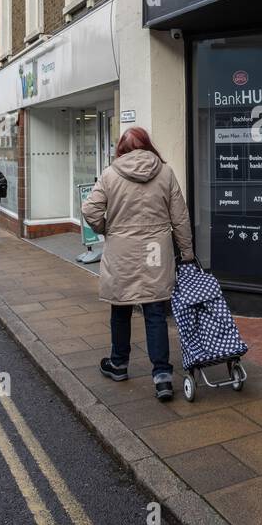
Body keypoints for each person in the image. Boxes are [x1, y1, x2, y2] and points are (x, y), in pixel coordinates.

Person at [82, 127, 194, 402]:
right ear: (148, 146)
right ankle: (162, 377)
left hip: (122, 252)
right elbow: (180, 217)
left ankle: (118, 364)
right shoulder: (165, 172)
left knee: (120, 308)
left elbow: (90, 210)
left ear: (121, 149)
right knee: (155, 310)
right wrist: (187, 253)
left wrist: (108, 228)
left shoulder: (110, 174)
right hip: (156, 250)